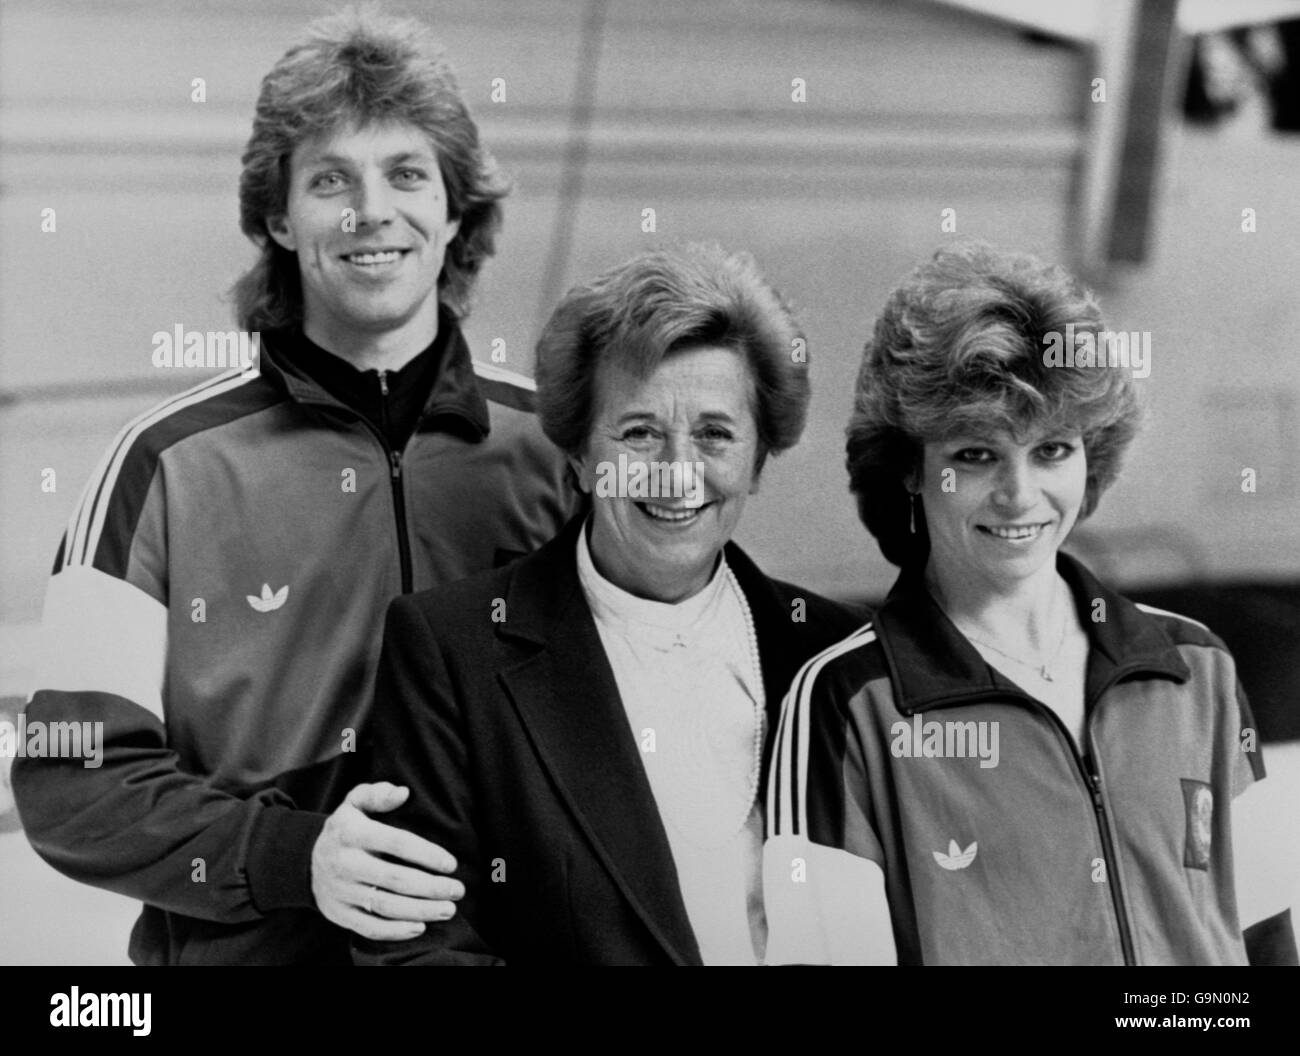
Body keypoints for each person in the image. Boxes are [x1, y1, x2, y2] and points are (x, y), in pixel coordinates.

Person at [12, 8, 576, 965]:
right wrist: (291, 855)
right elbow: (72, 781)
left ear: (455, 214)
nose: (370, 211)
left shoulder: (556, 449)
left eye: (406, 174)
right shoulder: (156, 469)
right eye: (330, 180)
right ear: (278, 218)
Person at [764, 242, 1297, 965]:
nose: (1020, 497)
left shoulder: (1195, 668)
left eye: (1051, 451)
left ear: (1092, 455)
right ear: (912, 471)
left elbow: (1266, 942)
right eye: (976, 455)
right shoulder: (850, 702)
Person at [352, 244, 863, 965]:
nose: (678, 472)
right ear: (582, 458)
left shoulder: (835, 654)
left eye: (714, 434)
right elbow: (416, 952)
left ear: (757, 462)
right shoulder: (452, 649)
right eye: (640, 433)